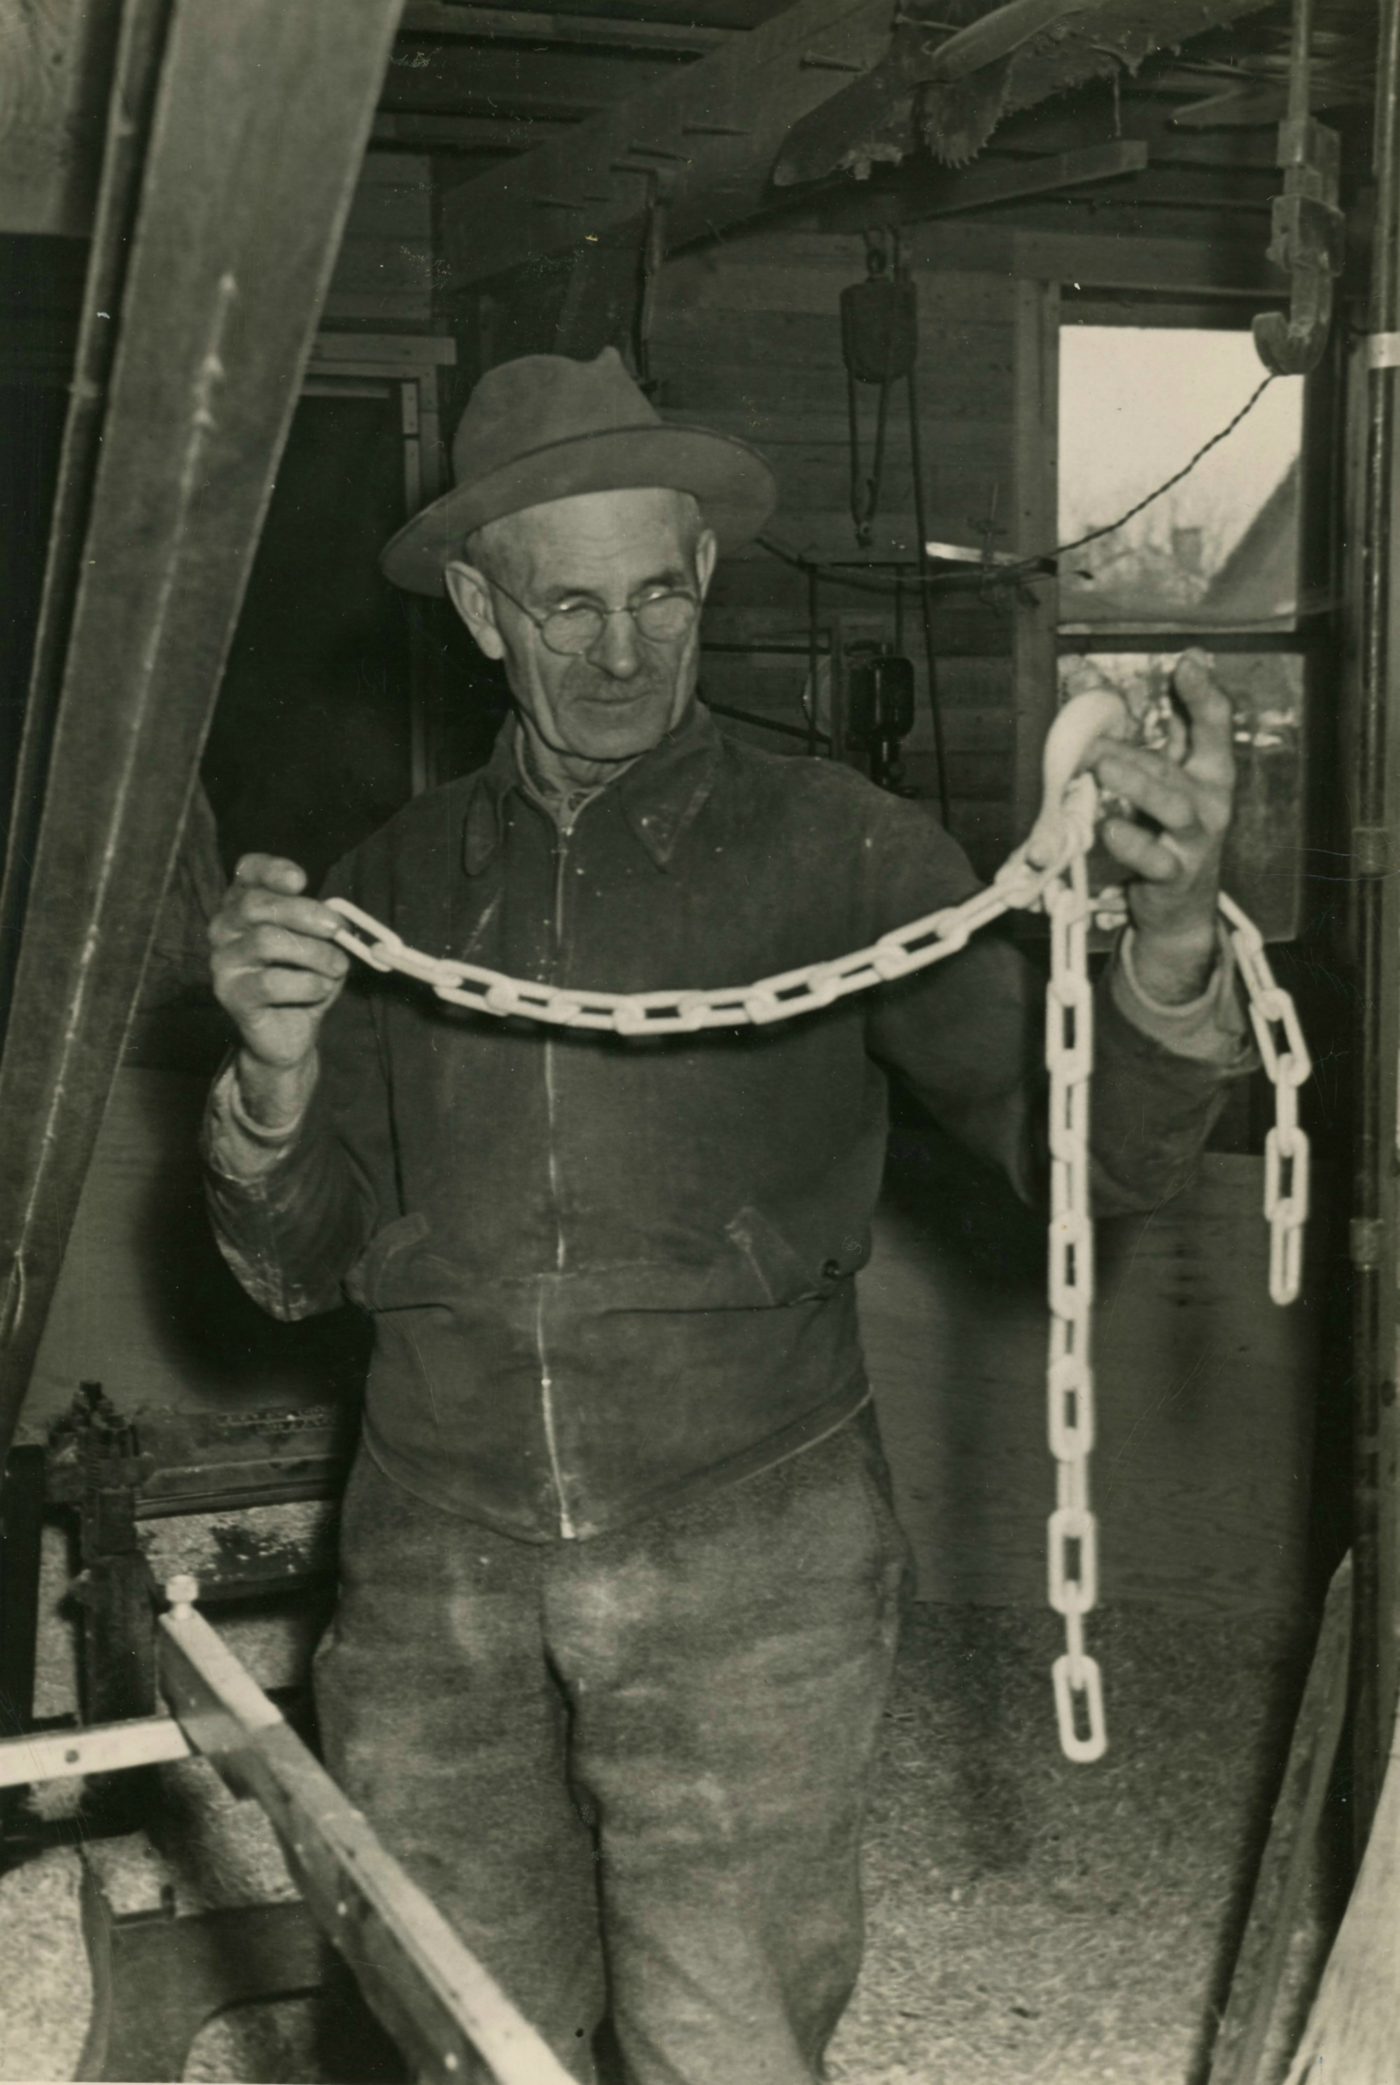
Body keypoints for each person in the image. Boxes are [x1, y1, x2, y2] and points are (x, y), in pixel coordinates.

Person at [202, 348, 1252, 2084]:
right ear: (480, 611)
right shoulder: (391, 888)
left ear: (704, 577)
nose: (622, 655)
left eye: (661, 597)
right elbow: (296, 1270)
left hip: (747, 1550)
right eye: (567, 607)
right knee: (444, 2034)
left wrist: (1175, 945)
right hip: (437, 1562)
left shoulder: (842, 853)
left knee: (726, 2043)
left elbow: (1089, 1153)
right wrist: (272, 1077)